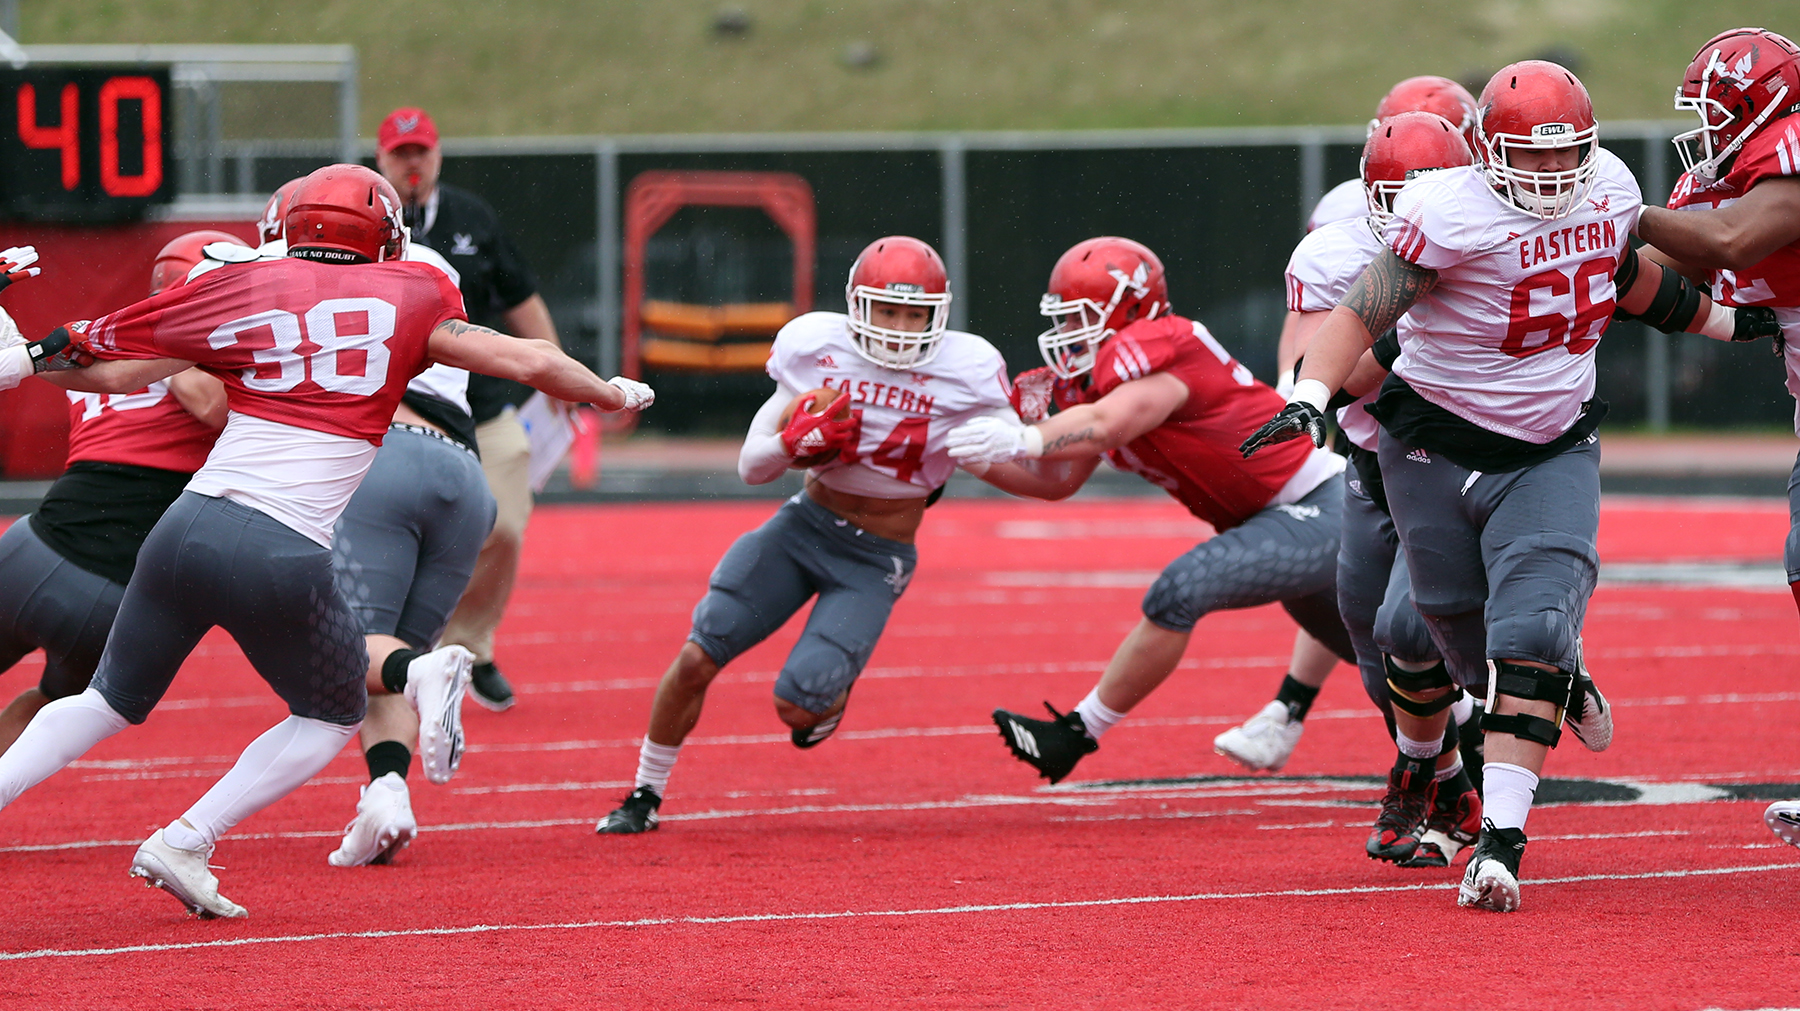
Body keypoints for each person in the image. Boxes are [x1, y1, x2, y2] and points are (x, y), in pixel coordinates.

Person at [0, 164, 652, 919]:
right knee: (332, 714)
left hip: (184, 526)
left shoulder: (247, 284)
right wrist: (607, 391)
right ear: (384, 233)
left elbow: (111, 363)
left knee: (105, 702)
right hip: (282, 545)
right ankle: (188, 836)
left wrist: (26, 354)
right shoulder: (412, 293)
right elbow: (529, 358)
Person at [1241, 61, 1776, 911]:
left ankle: (1501, 843)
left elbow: (1631, 282)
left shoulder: (1608, 187)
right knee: (1447, 625)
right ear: (1488, 153)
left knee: (1526, 628)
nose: (1553, 176)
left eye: (1567, 158)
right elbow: (1367, 306)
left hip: (1553, 441)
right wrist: (1310, 395)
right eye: (1532, 158)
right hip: (1435, 444)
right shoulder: (1447, 211)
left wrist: (1734, 322)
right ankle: (1559, 677)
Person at [596, 236, 1034, 834]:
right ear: (857, 305)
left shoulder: (968, 368)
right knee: (701, 649)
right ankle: (644, 793)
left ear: (940, 314)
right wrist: (791, 443)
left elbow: (1025, 462)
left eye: (914, 313)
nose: (900, 327)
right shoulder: (817, 347)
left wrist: (1014, 441)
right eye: (887, 310)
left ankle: (828, 696)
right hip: (803, 527)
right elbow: (753, 467)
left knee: (797, 702)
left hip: (877, 556)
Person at [945, 236, 1356, 788]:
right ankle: (1470, 736)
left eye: (1078, 319)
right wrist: (970, 453)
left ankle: (1074, 734)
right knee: (1385, 659)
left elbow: (1115, 420)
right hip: (1278, 520)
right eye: (1062, 321)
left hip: (1323, 504)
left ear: (1128, 310)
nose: (1066, 335)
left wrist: (1023, 435)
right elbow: (1058, 482)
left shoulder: (1161, 351)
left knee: (1181, 589)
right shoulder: (1102, 380)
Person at [1284, 112, 1487, 867]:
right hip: (1371, 472)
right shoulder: (1334, 250)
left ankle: (1476, 786)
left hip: (1450, 460)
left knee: (1412, 629)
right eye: (1397, 196)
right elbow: (1310, 351)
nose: (1413, 213)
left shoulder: (1487, 241)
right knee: (1376, 656)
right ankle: (1448, 781)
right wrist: (1298, 392)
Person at [1633, 27, 1800, 850]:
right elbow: (1680, 269)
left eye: (1715, 108)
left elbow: (1733, 240)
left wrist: (1625, 212)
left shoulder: (1789, 148)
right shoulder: (1723, 174)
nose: (1703, 125)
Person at [0, 236, 227, 755]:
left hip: (28, 550)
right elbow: (214, 406)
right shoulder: (206, 367)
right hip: (112, 590)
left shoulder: (104, 342)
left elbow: (44, 362)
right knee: (56, 707)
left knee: (53, 704)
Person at [376, 106, 566, 712]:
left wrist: (560, 375)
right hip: (386, 408)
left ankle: (471, 645)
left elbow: (521, 300)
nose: (411, 163)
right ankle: (380, 651)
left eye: (420, 153)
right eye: (400, 153)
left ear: (437, 156)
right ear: (380, 159)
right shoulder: (352, 210)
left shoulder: (471, 218)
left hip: (479, 403)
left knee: (503, 525)